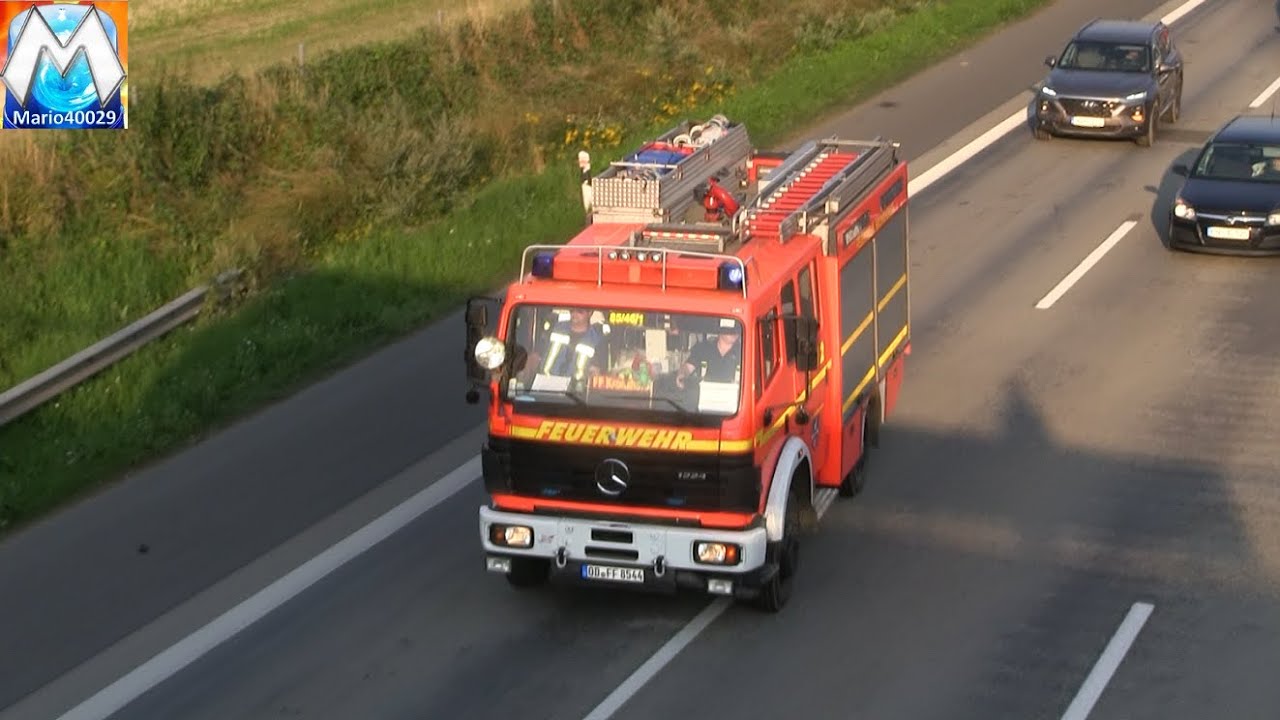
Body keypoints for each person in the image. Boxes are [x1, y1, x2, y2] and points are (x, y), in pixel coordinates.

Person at [527, 307, 606, 382]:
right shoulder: (555, 328)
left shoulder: (596, 340)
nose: (574, 314)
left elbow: (595, 373)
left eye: (579, 311)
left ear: (590, 313)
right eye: (572, 310)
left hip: (575, 392)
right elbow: (535, 356)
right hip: (545, 385)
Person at [677, 324, 742, 388]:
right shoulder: (704, 348)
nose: (735, 332)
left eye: (737, 329)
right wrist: (682, 374)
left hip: (732, 395)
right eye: (730, 330)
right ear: (720, 330)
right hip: (704, 393)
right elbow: (688, 367)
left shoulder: (743, 352)